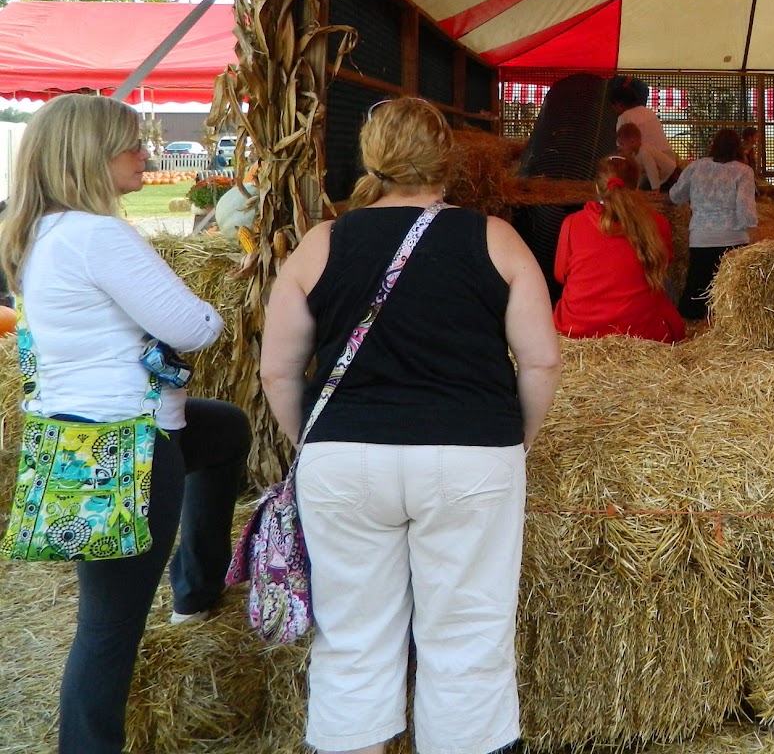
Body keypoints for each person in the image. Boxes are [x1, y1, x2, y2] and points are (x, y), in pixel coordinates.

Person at [259, 98, 562, 754]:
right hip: (471, 455)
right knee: (468, 635)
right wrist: (521, 439)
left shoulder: (321, 243)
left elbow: (278, 373)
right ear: (447, 158)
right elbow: (540, 359)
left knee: (353, 638)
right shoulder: (495, 238)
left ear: (371, 157)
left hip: (343, 455)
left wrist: (312, 445)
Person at [0, 94, 250, 754]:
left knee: (226, 429)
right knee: (108, 630)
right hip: (127, 449)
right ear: (88, 155)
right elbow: (196, 327)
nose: (144, 152)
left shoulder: (40, 231)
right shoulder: (97, 234)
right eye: (130, 144)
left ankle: (196, 592)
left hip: (76, 438)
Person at [553, 156, 685, 342]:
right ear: (637, 186)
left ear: (598, 188)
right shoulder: (658, 223)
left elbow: (560, 275)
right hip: (643, 332)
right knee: (665, 285)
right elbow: (664, 263)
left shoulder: (572, 223)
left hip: (577, 329)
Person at [669, 127, 758, 322]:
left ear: (713, 146)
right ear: (739, 149)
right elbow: (745, 208)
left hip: (701, 236)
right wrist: (751, 229)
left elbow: (676, 196)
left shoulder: (696, 166)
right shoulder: (743, 171)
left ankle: (691, 323)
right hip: (733, 237)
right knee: (732, 292)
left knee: (696, 288)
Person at [610, 74, 680, 191]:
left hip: (659, 173)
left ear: (619, 104)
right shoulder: (648, 111)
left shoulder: (624, 118)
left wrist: (655, 189)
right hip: (670, 162)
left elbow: (651, 169)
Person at [617, 120, 676, 192]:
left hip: (672, 175)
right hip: (663, 177)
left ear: (632, 142)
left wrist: (655, 189)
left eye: (622, 144)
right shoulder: (634, 154)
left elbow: (652, 170)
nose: (619, 147)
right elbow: (640, 173)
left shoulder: (644, 152)